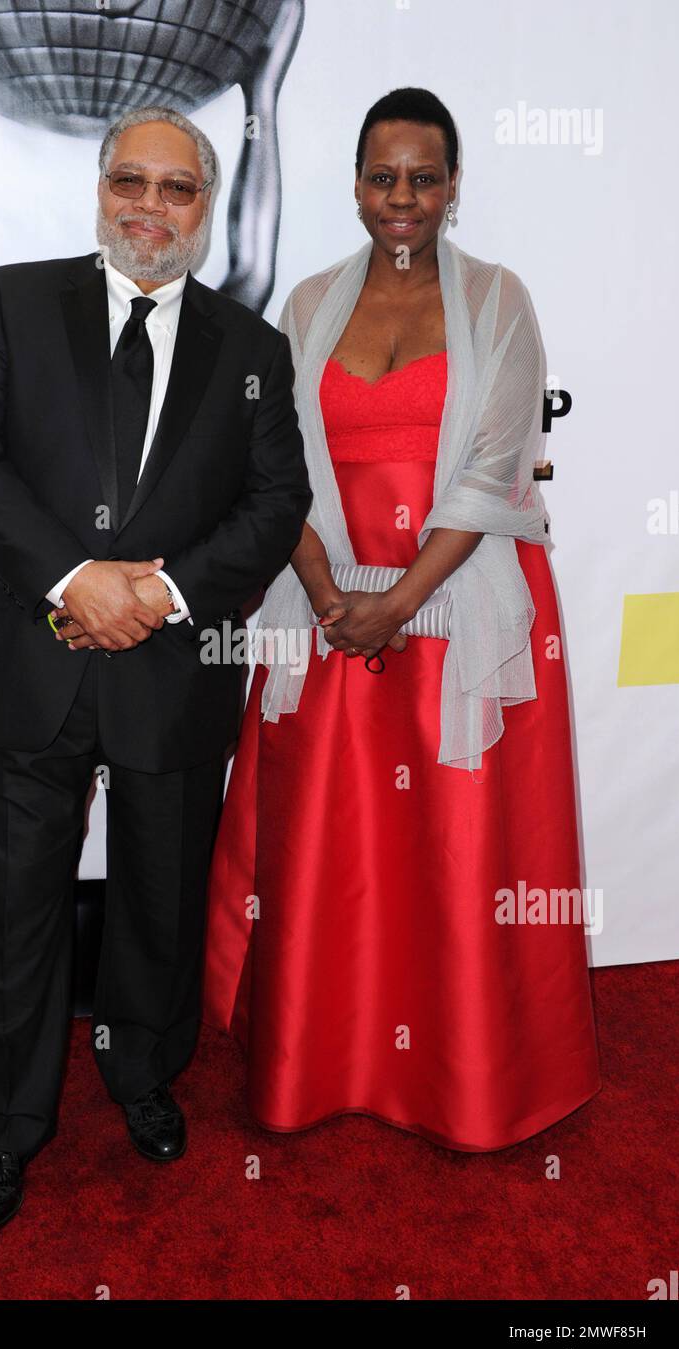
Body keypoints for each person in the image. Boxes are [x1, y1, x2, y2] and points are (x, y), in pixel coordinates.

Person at [0, 105, 311, 1232]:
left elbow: (276, 503)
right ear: (99, 190)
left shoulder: (252, 350)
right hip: (28, 658)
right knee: (17, 910)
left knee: (161, 897)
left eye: (176, 188)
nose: (150, 207)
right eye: (129, 182)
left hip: (173, 667)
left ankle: (144, 1071)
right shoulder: (10, 301)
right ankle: (5, 1133)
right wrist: (74, 579)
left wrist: (159, 594)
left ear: (207, 206)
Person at [202, 88, 601, 1152]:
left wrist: (399, 602)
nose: (403, 197)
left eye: (424, 178)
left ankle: (464, 1079)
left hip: (456, 613)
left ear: (454, 185)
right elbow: (273, 466)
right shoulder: (307, 304)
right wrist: (329, 593)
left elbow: (491, 474)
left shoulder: (499, 301)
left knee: (456, 854)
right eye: (383, 177)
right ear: (355, 185)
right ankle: (324, 1064)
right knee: (339, 855)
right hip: (328, 611)